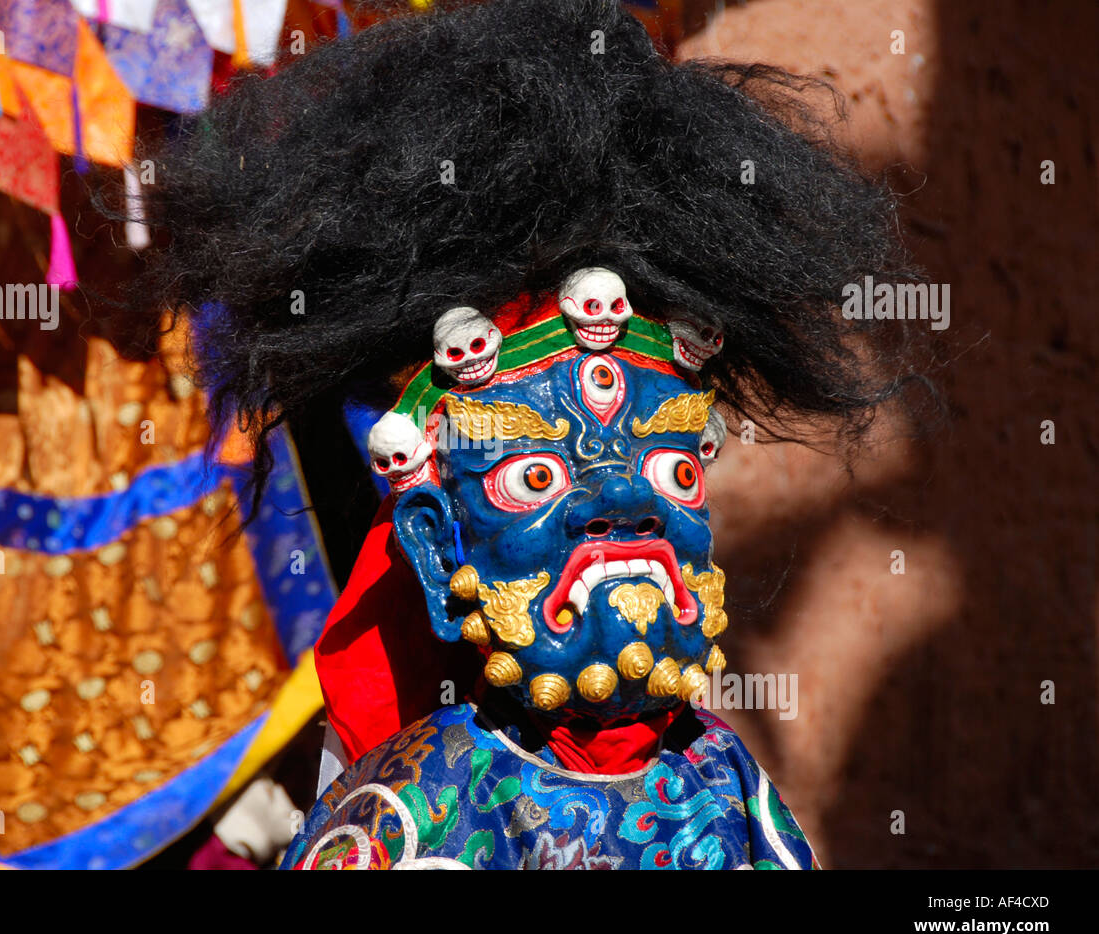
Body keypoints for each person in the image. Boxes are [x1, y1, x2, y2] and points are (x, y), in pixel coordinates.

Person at [145, 0, 918, 870]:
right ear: (438, 547)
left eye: (669, 466)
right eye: (538, 478)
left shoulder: (726, 780)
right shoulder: (417, 810)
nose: (625, 497)